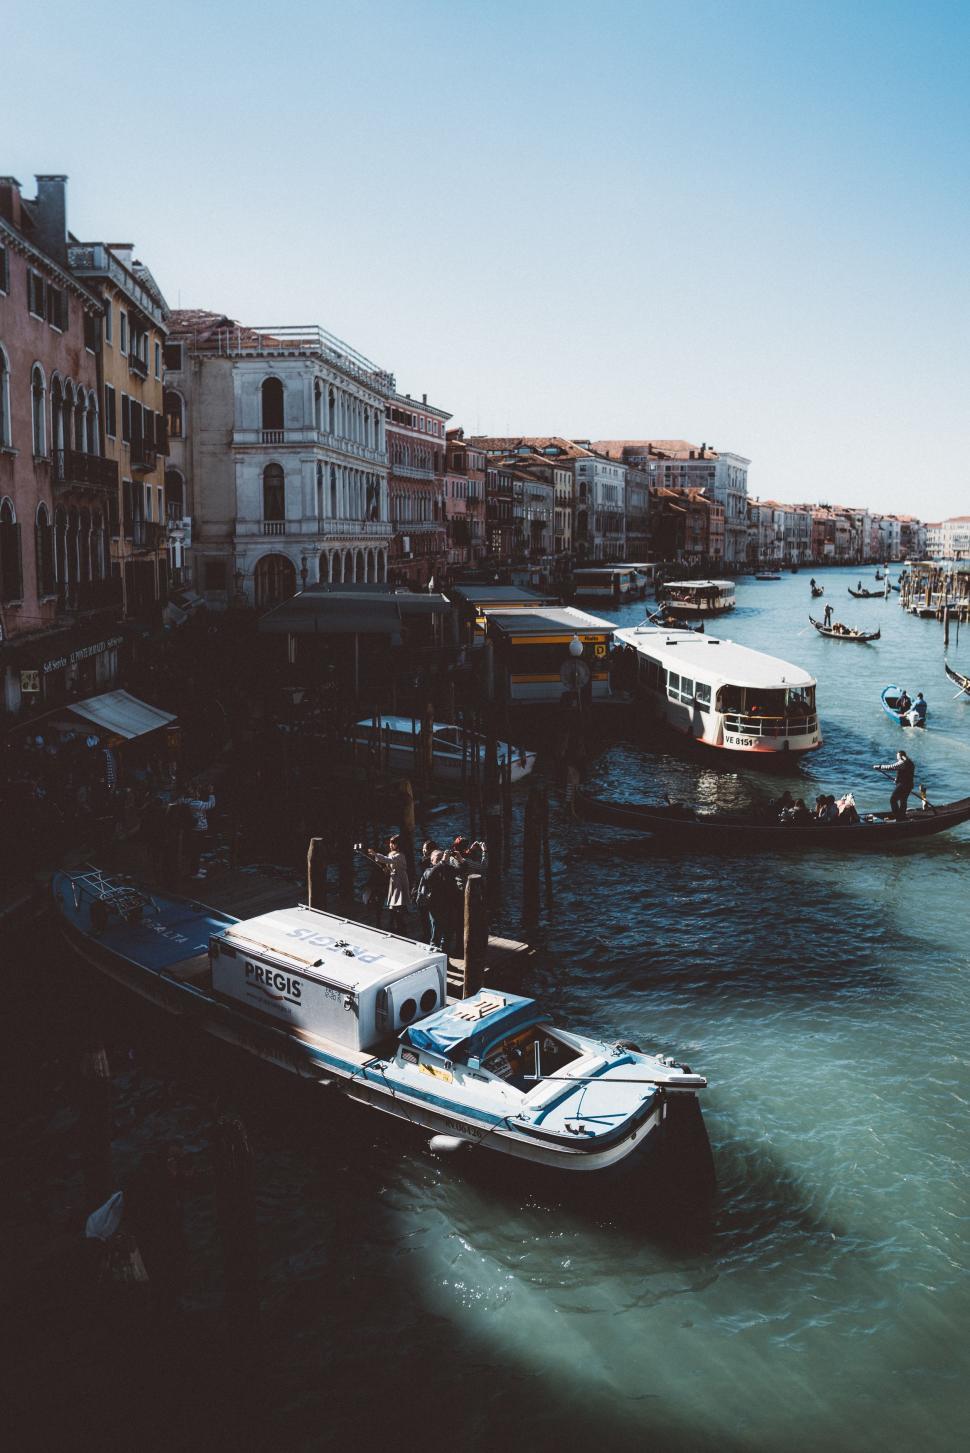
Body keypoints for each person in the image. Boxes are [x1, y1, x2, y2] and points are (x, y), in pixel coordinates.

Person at [358, 834, 410, 935]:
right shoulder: (392, 853)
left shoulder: (400, 855)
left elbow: (389, 860)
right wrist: (387, 869)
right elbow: (389, 864)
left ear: (398, 844)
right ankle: (397, 925)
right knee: (393, 905)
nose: (390, 845)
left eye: (393, 843)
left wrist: (375, 854)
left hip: (400, 881)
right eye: (390, 843)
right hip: (394, 880)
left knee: (398, 904)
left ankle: (401, 927)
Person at [873, 750, 915, 819]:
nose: (897, 758)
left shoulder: (903, 762)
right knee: (903, 800)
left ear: (901, 756)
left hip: (903, 785)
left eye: (898, 756)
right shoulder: (910, 763)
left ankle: (898, 817)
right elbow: (906, 774)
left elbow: (892, 767)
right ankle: (902, 816)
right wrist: (897, 779)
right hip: (909, 785)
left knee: (893, 800)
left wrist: (879, 766)